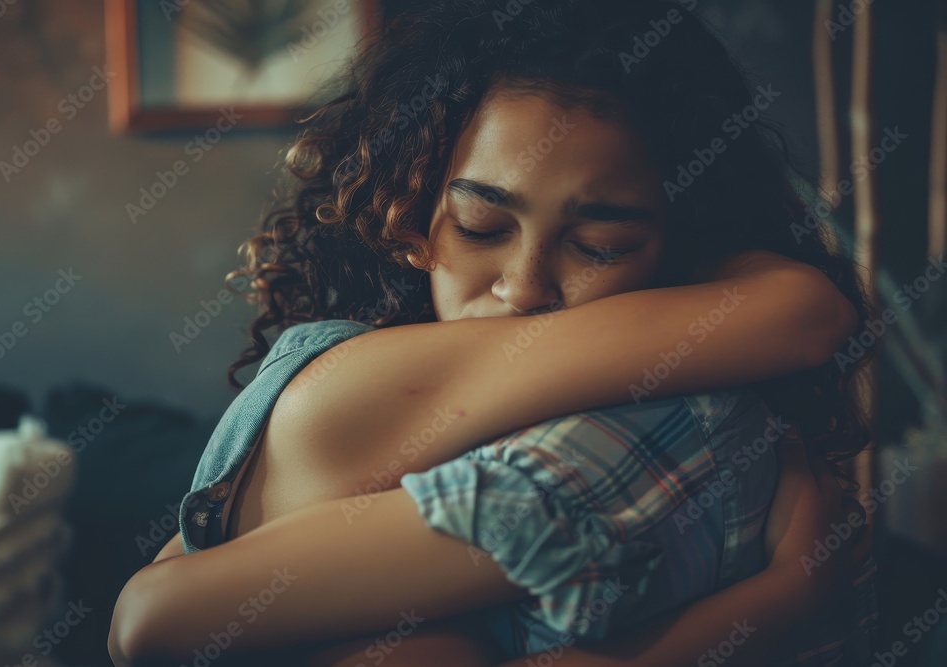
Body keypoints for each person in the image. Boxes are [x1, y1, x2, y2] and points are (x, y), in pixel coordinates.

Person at [109, 1, 877, 665]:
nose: (525, 288)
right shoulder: (349, 386)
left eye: (599, 246)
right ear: (408, 218)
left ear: (677, 242)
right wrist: (786, 595)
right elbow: (144, 620)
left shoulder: (629, 427)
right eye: (481, 226)